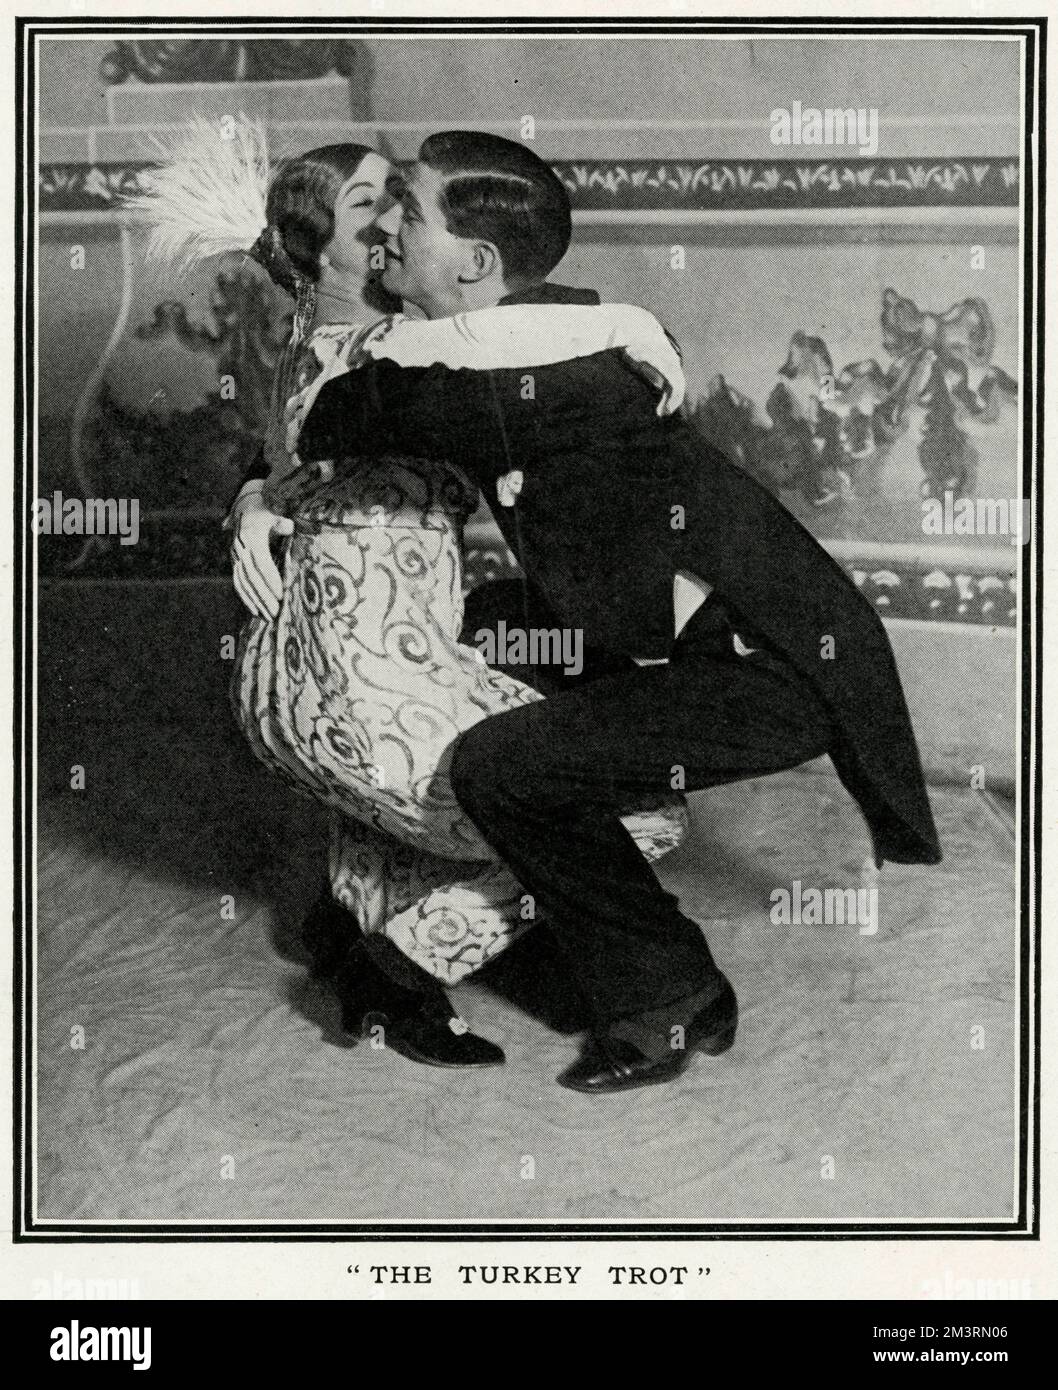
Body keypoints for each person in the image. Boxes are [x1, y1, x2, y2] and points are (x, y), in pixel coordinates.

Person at [290, 129, 943, 1095]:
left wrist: (332, 291)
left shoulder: (516, 380)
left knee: (500, 763)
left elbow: (326, 416)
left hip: (764, 670)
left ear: (474, 265)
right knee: (485, 627)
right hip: (664, 625)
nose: (386, 223)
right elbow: (592, 322)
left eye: (408, 212)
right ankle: (421, 922)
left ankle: (672, 996)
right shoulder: (543, 328)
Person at [135, 123, 692, 1069]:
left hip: (287, 688)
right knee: (643, 810)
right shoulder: (396, 349)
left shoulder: (305, 340)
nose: (397, 218)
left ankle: (364, 934)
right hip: (370, 696)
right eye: (372, 205)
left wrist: (257, 497)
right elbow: (526, 334)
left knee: (439, 808)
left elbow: (294, 447)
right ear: (323, 251)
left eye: (401, 198)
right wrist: (635, 326)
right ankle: (391, 972)